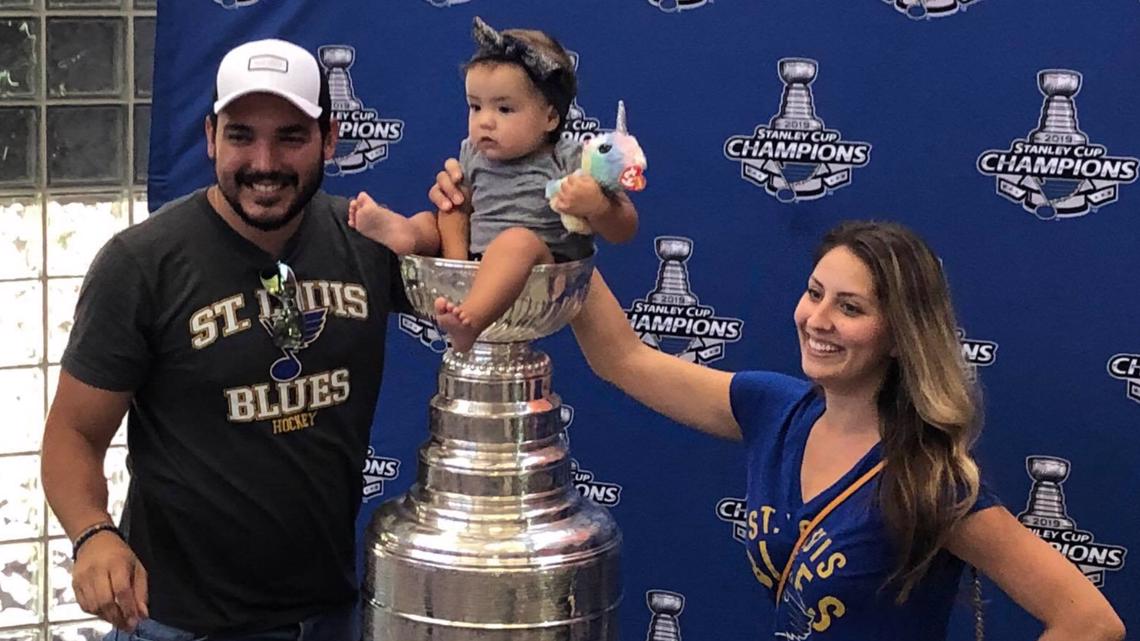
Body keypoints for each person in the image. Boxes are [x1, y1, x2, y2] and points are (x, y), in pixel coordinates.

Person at [467, 218, 1120, 640]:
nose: (818, 318)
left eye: (851, 307)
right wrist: (557, 238)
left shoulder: (927, 479)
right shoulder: (773, 408)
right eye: (815, 292)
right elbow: (625, 359)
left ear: (899, 335)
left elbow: (1090, 619)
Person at [40, 38, 424, 639]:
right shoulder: (141, 264)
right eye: (242, 135)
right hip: (176, 623)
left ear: (330, 138)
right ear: (211, 136)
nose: (264, 162)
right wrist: (93, 534)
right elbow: (72, 433)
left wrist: (481, 195)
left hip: (330, 617)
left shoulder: (367, 245)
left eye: (291, 136)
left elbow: (479, 281)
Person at [348, 17, 638, 353]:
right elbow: (456, 218)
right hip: (475, 260)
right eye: (475, 106)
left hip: (541, 264)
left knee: (517, 242)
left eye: (504, 108)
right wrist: (452, 216)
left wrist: (597, 206)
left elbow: (625, 228)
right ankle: (402, 232)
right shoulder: (471, 153)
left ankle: (470, 319)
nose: (484, 120)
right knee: (436, 216)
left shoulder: (570, 158)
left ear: (550, 117)